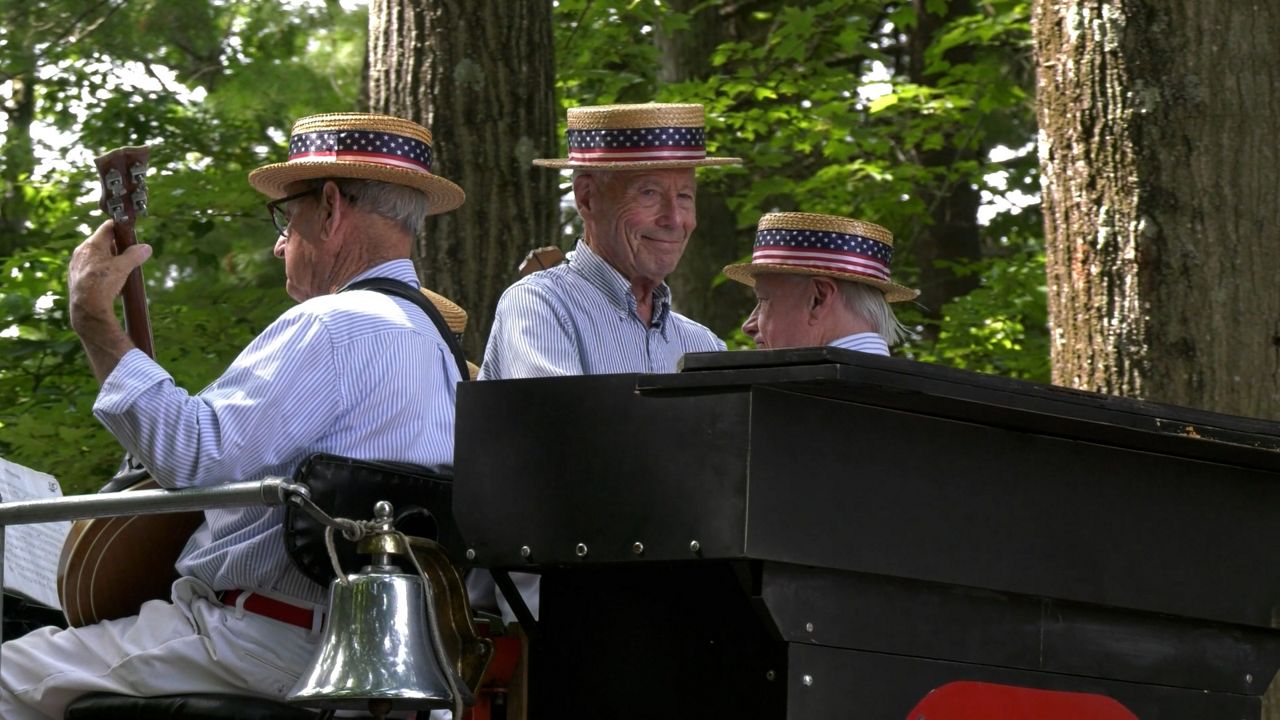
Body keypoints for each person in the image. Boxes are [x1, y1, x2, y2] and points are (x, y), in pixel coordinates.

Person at [0, 112, 466, 719]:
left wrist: (93, 320)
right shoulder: (442, 349)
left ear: (330, 207)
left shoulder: (330, 325)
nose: (279, 243)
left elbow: (195, 458)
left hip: (261, 641)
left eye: (286, 217)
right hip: (386, 660)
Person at [479, 102, 741, 379]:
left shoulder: (703, 345)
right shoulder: (541, 307)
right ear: (587, 198)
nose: (674, 219)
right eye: (649, 193)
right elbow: (558, 422)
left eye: (685, 196)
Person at [724, 211, 918, 353]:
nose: (748, 326)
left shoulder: (792, 401)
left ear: (819, 297)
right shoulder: (931, 395)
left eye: (764, 300)